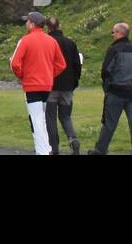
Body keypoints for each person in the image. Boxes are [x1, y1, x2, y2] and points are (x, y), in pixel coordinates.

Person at [10, 11, 66, 155]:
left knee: (36, 119)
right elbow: (61, 64)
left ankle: (43, 151)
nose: (26, 23)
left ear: (33, 24)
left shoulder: (26, 40)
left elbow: (15, 64)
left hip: (32, 85)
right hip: (47, 85)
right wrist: (49, 75)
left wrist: (22, 76)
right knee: (40, 117)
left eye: (27, 21)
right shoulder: (51, 41)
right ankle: (45, 148)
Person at [90, 22, 132, 155]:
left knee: (109, 123)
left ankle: (100, 150)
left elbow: (106, 71)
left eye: (113, 32)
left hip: (116, 92)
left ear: (118, 33)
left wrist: (107, 88)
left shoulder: (114, 50)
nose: (112, 35)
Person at [45, 17, 83, 155]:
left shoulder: (46, 43)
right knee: (65, 116)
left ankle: (54, 149)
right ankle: (72, 139)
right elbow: (77, 65)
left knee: (50, 117)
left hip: (50, 85)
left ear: (47, 27)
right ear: (60, 26)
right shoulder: (70, 43)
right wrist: (74, 82)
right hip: (67, 86)